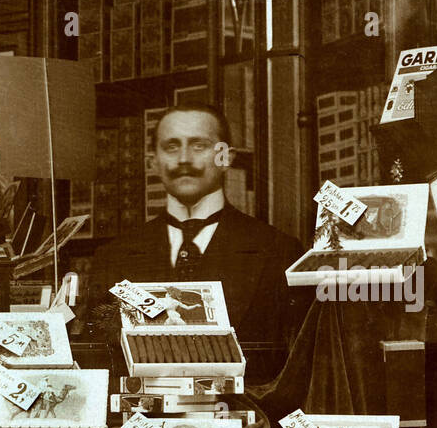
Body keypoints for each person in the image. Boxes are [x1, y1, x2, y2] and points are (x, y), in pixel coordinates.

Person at [92, 102, 305, 369]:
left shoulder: (278, 251)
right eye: (171, 146)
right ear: (153, 162)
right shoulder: (112, 257)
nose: (184, 159)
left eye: (198, 145)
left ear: (225, 157)